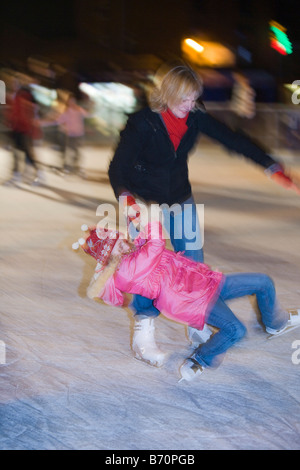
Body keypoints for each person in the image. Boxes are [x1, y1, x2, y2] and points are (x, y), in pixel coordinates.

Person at [108, 63, 300, 367]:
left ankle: (197, 322)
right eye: (184, 99)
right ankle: (143, 332)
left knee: (194, 266)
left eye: (194, 98)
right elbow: (117, 168)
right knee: (145, 270)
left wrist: (270, 165)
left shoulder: (195, 117)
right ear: (168, 94)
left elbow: (232, 139)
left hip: (180, 197)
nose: (190, 105)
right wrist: (128, 200)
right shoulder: (143, 123)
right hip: (143, 203)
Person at [73, 211, 300, 380]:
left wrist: (135, 230)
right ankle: (201, 359)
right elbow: (156, 242)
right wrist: (142, 218)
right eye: (116, 244)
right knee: (236, 330)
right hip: (189, 300)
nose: (122, 242)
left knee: (263, 282)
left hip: (206, 282)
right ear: (109, 257)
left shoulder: (132, 255)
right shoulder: (126, 271)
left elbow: (145, 244)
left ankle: (275, 323)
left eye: (119, 238)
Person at [57, 95, 87, 175]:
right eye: (70, 101)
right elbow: (59, 120)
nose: (72, 102)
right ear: (68, 102)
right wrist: (64, 128)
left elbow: (87, 115)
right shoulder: (66, 111)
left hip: (79, 134)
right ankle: (68, 167)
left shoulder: (79, 109)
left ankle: (76, 166)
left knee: (76, 150)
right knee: (69, 150)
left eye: (73, 101)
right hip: (70, 134)